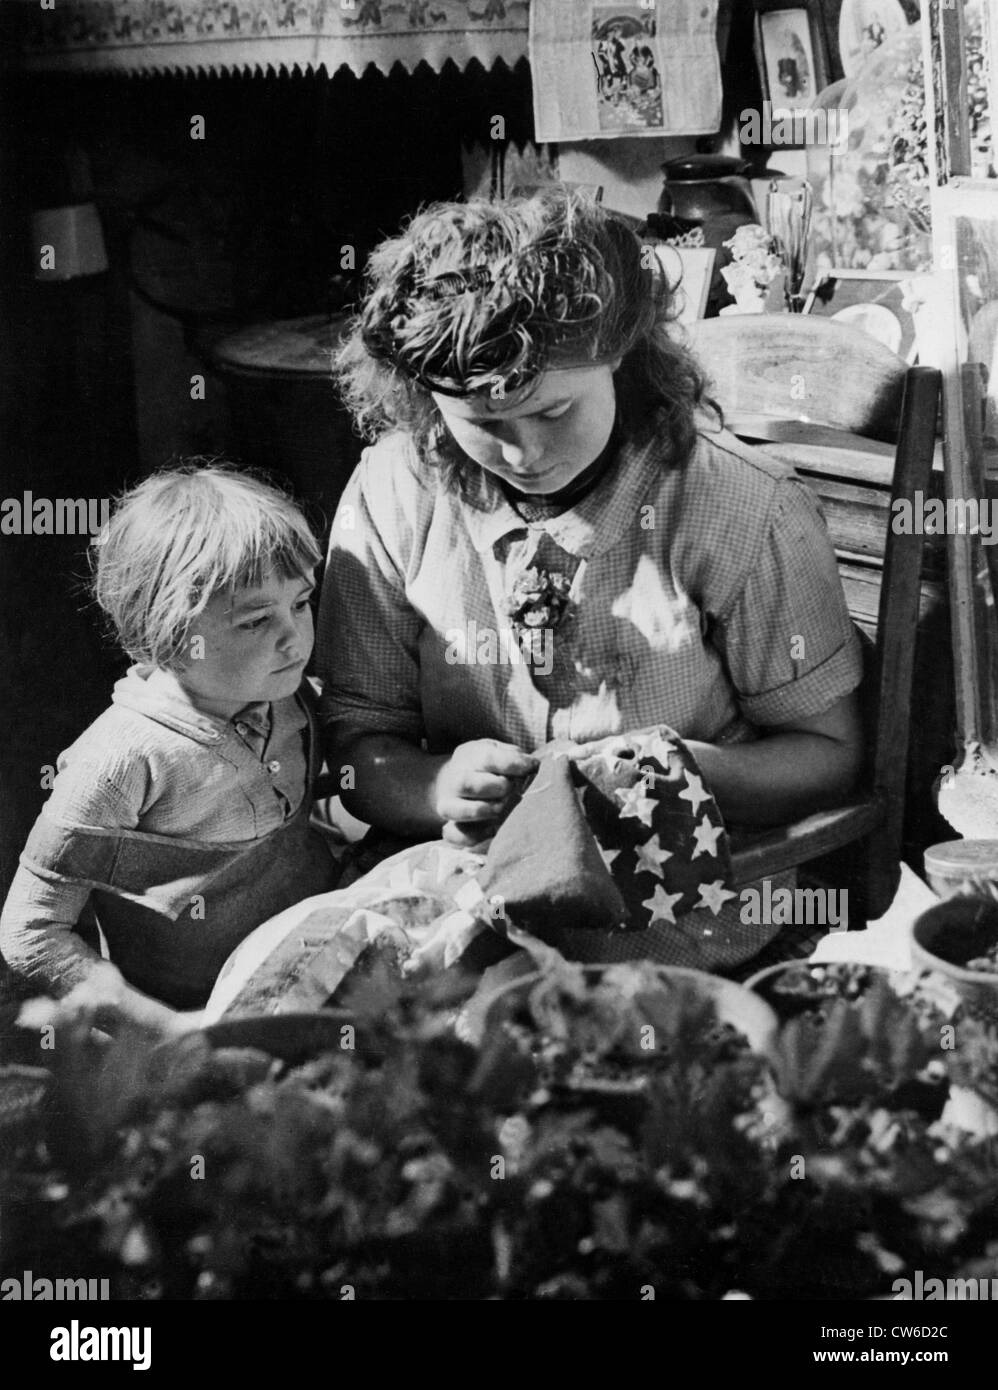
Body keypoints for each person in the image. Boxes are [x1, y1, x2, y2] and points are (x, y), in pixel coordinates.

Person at [316, 190, 865, 970]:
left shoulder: (745, 508)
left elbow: (828, 753)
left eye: (554, 411)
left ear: (622, 353)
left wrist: (681, 775)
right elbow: (355, 744)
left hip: (677, 932)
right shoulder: (391, 492)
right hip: (456, 917)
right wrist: (431, 786)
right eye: (483, 424)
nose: (524, 455)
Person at [0, 466, 340, 1033]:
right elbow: (30, 931)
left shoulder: (291, 693)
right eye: (256, 620)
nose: (295, 636)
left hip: (326, 960)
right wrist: (162, 1029)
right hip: (209, 1018)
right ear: (169, 632)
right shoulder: (120, 761)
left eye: (301, 603)